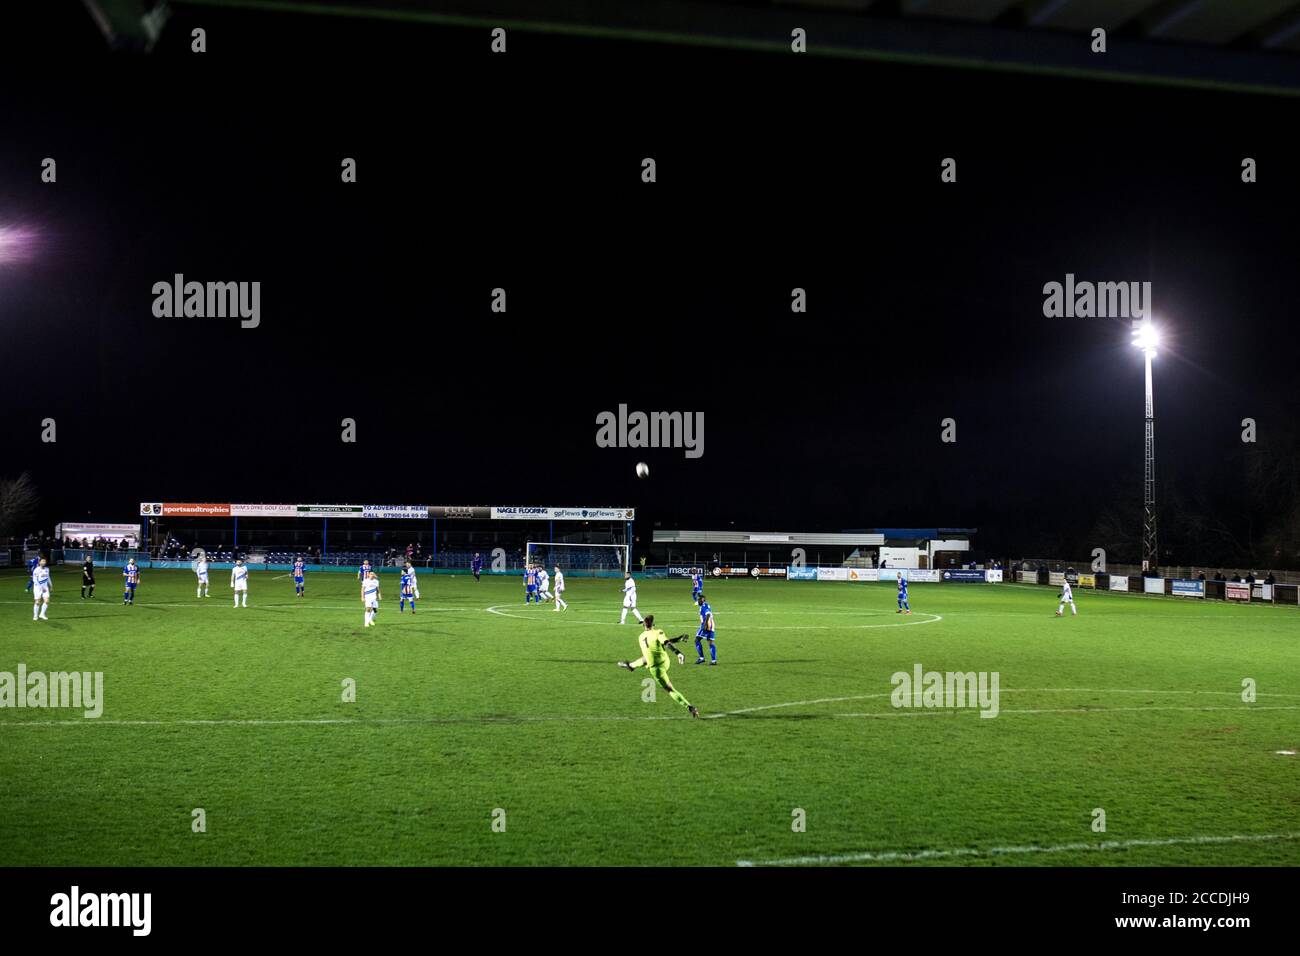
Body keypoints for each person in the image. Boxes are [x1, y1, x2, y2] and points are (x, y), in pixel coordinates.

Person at [618, 615, 699, 718]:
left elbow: (660, 644)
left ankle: (690, 707)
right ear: (654, 625)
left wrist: (677, 649)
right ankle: (631, 665)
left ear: (643, 625)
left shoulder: (641, 637)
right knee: (646, 658)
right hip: (665, 661)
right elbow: (665, 643)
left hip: (656, 669)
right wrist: (678, 650)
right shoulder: (658, 632)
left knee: (670, 689)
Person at [694, 593, 717, 665]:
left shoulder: (704, 606)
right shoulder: (705, 605)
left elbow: (708, 614)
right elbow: (696, 603)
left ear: (702, 600)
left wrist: (704, 625)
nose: (698, 601)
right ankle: (713, 661)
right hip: (711, 625)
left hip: (707, 625)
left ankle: (702, 658)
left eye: (699, 600)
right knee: (710, 643)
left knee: (697, 640)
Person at [31, 557, 52, 621]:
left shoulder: (47, 569)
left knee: (47, 601)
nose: (43, 562)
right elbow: (35, 580)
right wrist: (41, 587)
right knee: (37, 602)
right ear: (39, 562)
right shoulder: (36, 570)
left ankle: (42, 614)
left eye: (45, 561)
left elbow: (48, 577)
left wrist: (51, 585)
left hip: (45, 587)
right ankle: (35, 615)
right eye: (42, 561)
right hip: (37, 587)